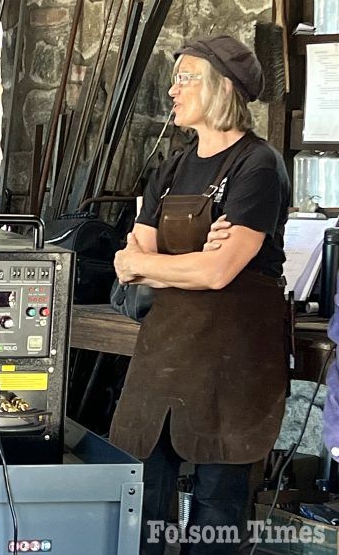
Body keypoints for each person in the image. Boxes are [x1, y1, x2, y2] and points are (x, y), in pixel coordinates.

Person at [110, 35, 290, 554]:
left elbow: (217, 273)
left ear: (221, 88)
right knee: (140, 499)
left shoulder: (258, 166)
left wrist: (157, 264)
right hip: (164, 353)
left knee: (217, 511)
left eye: (186, 77)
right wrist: (174, 262)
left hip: (231, 364)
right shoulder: (173, 167)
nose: (173, 88)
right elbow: (129, 260)